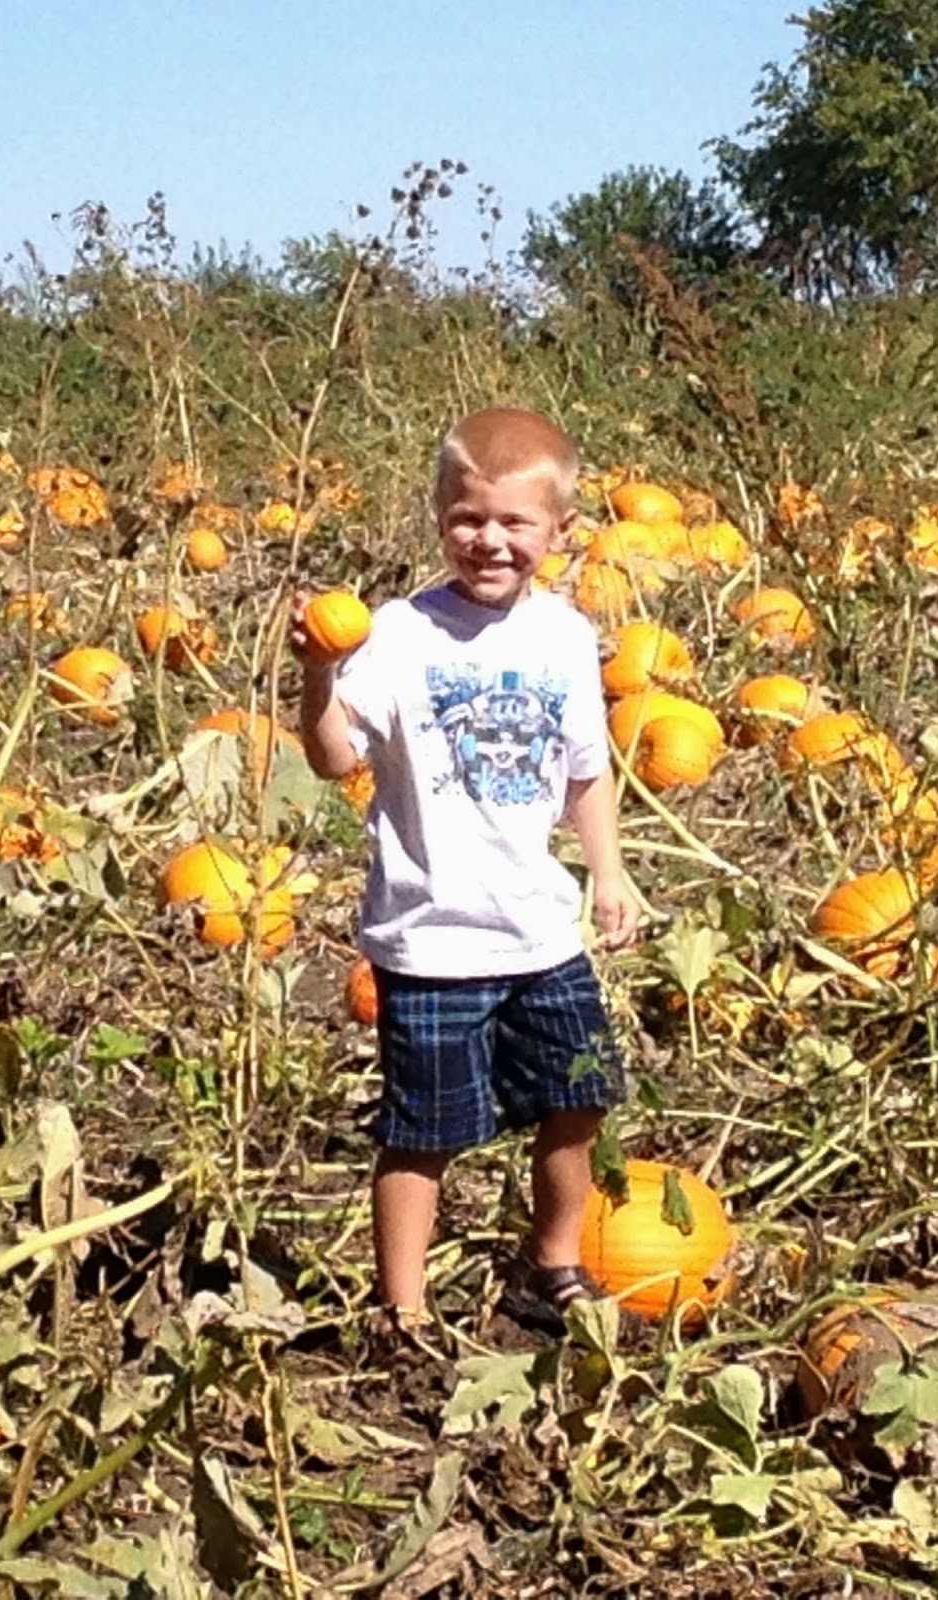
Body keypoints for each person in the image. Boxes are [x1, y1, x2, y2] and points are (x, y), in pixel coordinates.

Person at [291, 406, 643, 1342]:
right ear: (439, 516)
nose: (490, 540)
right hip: (432, 938)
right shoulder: (398, 634)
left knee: (580, 1098)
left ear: (560, 532)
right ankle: (401, 1313)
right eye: (468, 518)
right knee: (423, 1133)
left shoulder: (566, 637)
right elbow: (333, 758)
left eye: (515, 522)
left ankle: (551, 1261)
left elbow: (586, 771)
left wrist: (609, 874)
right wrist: (319, 675)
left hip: (541, 932)